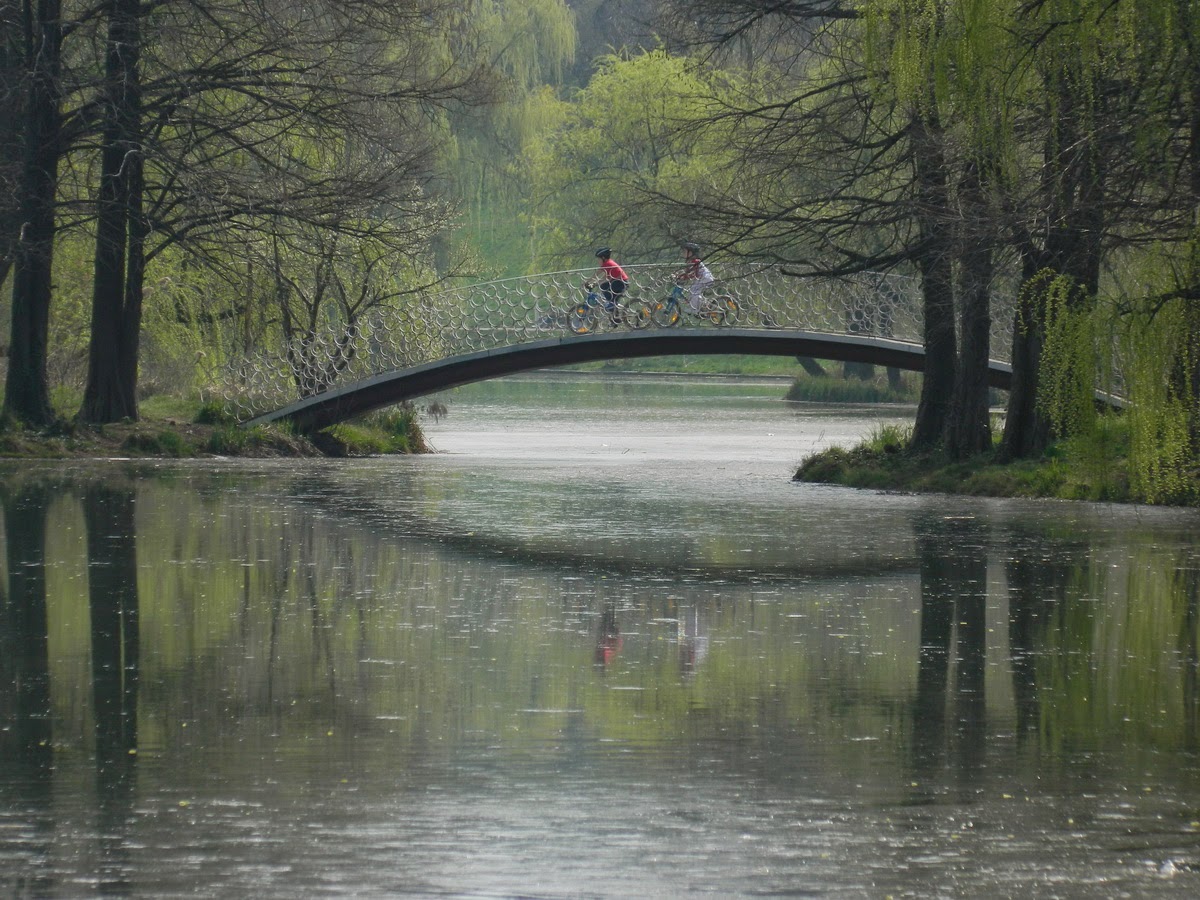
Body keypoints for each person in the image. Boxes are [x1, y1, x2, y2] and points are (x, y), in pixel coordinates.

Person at [677, 242, 714, 314]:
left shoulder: (695, 262)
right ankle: (701, 305)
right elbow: (687, 272)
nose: (683, 253)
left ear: (690, 253)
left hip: (705, 278)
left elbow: (694, 274)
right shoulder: (690, 261)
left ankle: (694, 309)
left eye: (684, 251)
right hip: (701, 279)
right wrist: (679, 275)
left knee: (693, 290)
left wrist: (683, 277)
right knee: (692, 289)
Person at [592, 247, 629, 312]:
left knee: (603, 286)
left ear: (603, 258)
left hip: (620, 283)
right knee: (612, 303)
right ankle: (617, 317)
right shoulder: (609, 264)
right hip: (620, 283)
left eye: (599, 259)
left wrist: (586, 282)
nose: (598, 261)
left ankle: (612, 307)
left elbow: (596, 274)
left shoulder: (607, 264)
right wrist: (595, 283)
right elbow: (606, 277)